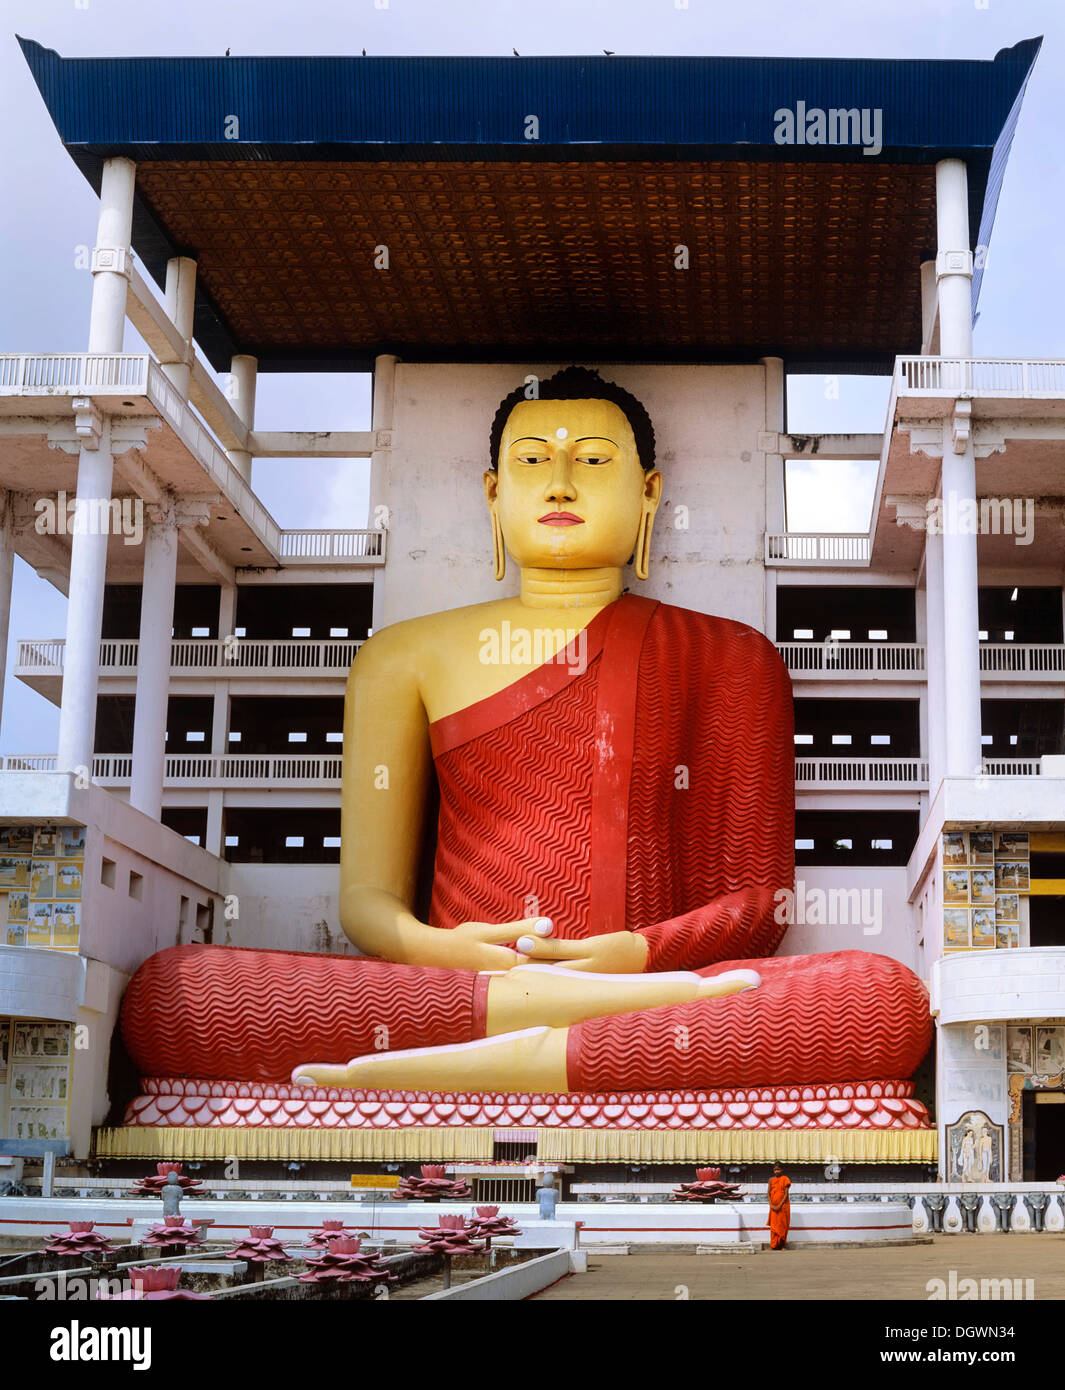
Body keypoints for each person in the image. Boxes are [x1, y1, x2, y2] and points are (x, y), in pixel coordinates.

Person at [120, 367, 932, 1097]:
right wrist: (444, 953)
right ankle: (567, 1043)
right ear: (491, 492)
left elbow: (758, 903)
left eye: (594, 460)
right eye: (534, 460)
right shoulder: (402, 656)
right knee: (178, 993)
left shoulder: (727, 656)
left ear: (649, 493)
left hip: (654, 986)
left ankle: (471, 1060)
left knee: (877, 998)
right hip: (470, 987)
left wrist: (635, 957)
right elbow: (369, 903)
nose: (563, 483)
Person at [767, 1163, 791, 1250]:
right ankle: (774, 1245)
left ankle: (782, 1245)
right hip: (773, 1207)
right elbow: (768, 1193)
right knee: (774, 1227)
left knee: (782, 1226)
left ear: (782, 1170)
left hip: (783, 1206)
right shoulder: (771, 1180)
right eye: (775, 1170)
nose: (777, 1171)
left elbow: (785, 1194)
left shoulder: (785, 1179)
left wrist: (779, 1205)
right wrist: (771, 1205)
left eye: (778, 1169)